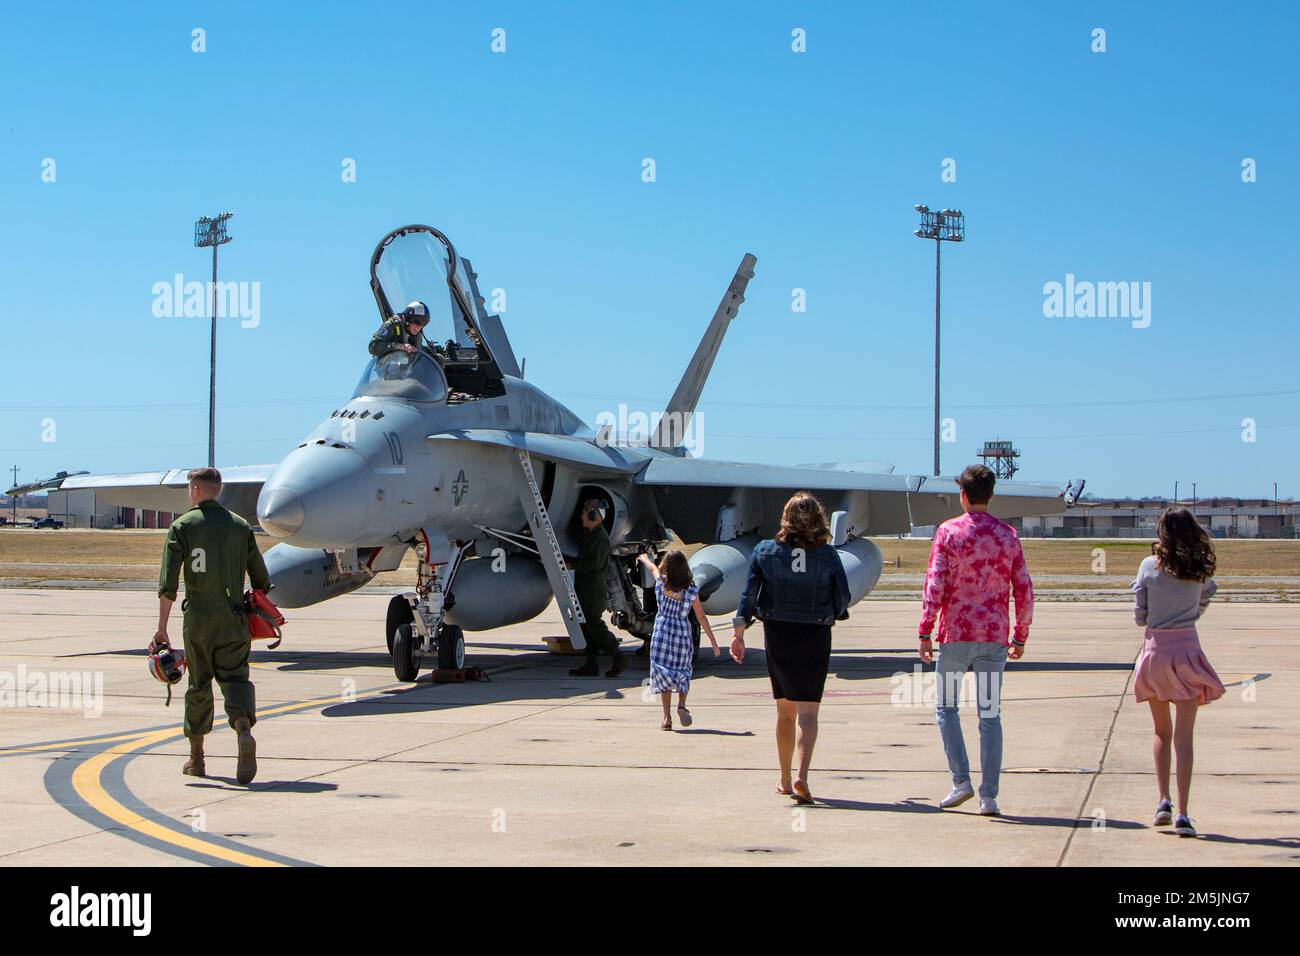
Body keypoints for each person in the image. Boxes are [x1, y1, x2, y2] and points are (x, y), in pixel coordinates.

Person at [918, 464, 1033, 817]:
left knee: (947, 709)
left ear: (963, 496)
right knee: (989, 715)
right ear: (991, 495)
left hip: (956, 635)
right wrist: (1020, 635)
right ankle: (989, 795)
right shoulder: (1007, 535)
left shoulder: (948, 532)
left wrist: (925, 628)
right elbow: (1024, 589)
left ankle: (961, 781)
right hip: (994, 637)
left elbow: (935, 583)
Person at [152, 467, 271, 785]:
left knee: (199, 684)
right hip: (234, 619)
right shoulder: (241, 526)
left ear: (194, 490)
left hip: (199, 620)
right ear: (218, 491)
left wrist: (162, 628)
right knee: (235, 679)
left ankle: (197, 758)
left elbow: (168, 584)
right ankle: (243, 727)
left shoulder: (181, 527)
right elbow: (261, 580)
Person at [732, 492, 850, 804]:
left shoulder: (764, 551)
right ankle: (802, 776)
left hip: (778, 635)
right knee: (808, 711)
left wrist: (739, 633)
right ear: (819, 519)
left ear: (785, 517)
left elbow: (747, 595)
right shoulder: (828, 555)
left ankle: (784, 778)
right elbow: (842, 597)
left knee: (784, 711)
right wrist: (834, 613)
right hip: (814, 635)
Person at [1132, 508, 1224, 838]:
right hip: (1187, 651)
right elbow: (1206, 597)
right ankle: (1184, 813)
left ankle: (1162, 801)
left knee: (1161, 733)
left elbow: (1140, 617)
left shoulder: (1148, 567)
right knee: (1185, 739)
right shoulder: (1198, 569)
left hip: (1156, 652)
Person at [636, 549, 720, 730]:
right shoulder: (690, 591)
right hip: (681, 634)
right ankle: (681, 705)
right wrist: (713, 641)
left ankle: (666, 718)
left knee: (664, 672)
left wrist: (645, 560)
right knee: (683, 671)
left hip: (662, 633)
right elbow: (701, 617)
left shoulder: (661, 584)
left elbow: (653, 570)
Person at [568, 499, 628, 678]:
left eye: (585, 513)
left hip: (593, 589)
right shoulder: (591, 534)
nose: (581, 516)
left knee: (595, 624)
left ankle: (618, 656)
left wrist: (572, 564)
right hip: (586, 587)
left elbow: (594, 564)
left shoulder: (600, 537)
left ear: (594, 516)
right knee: (585, 626)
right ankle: (591, 663)